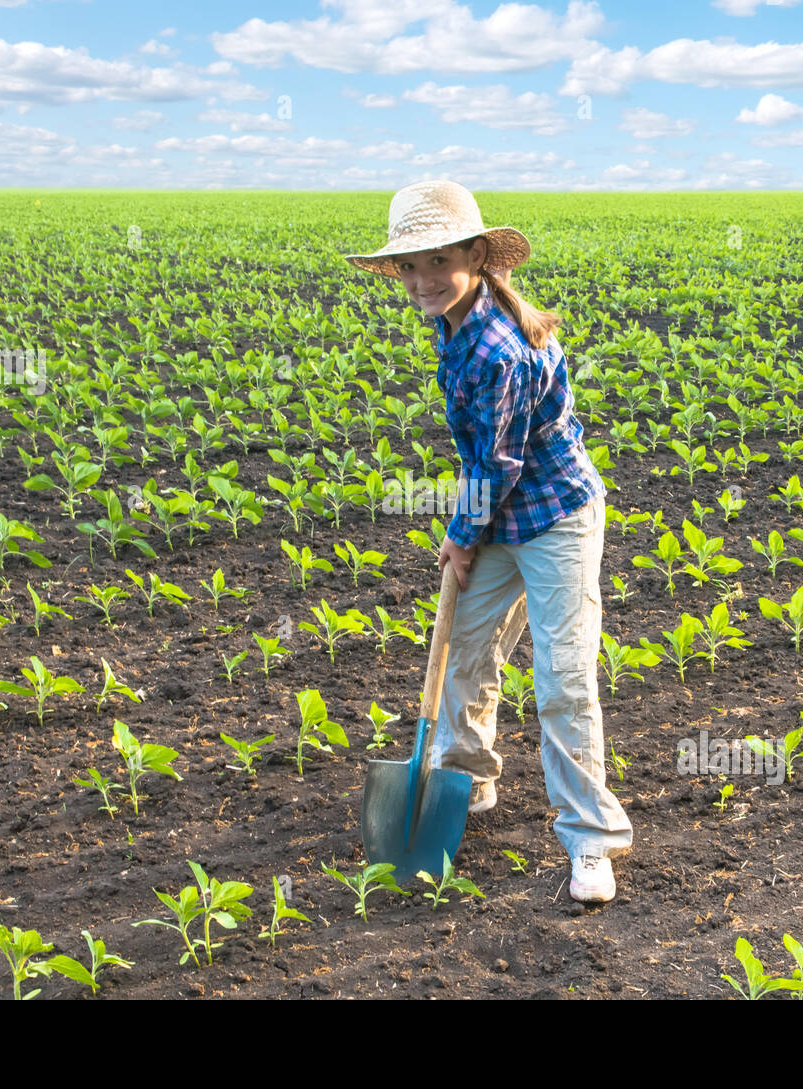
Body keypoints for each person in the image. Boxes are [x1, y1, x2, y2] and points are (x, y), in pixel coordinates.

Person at [342, 180, 632, 903]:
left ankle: (591, 840)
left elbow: (499, 461)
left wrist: (462, 535)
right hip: (499, 509)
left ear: (476, 254)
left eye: (436, 260)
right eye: (409, 266)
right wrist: (465, 531)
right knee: (465, 647)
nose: (420, 280)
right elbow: (484, 459)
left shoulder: (498, 348)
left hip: (556, 516)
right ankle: (463, 780)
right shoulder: (456, 319)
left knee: (564, 679)